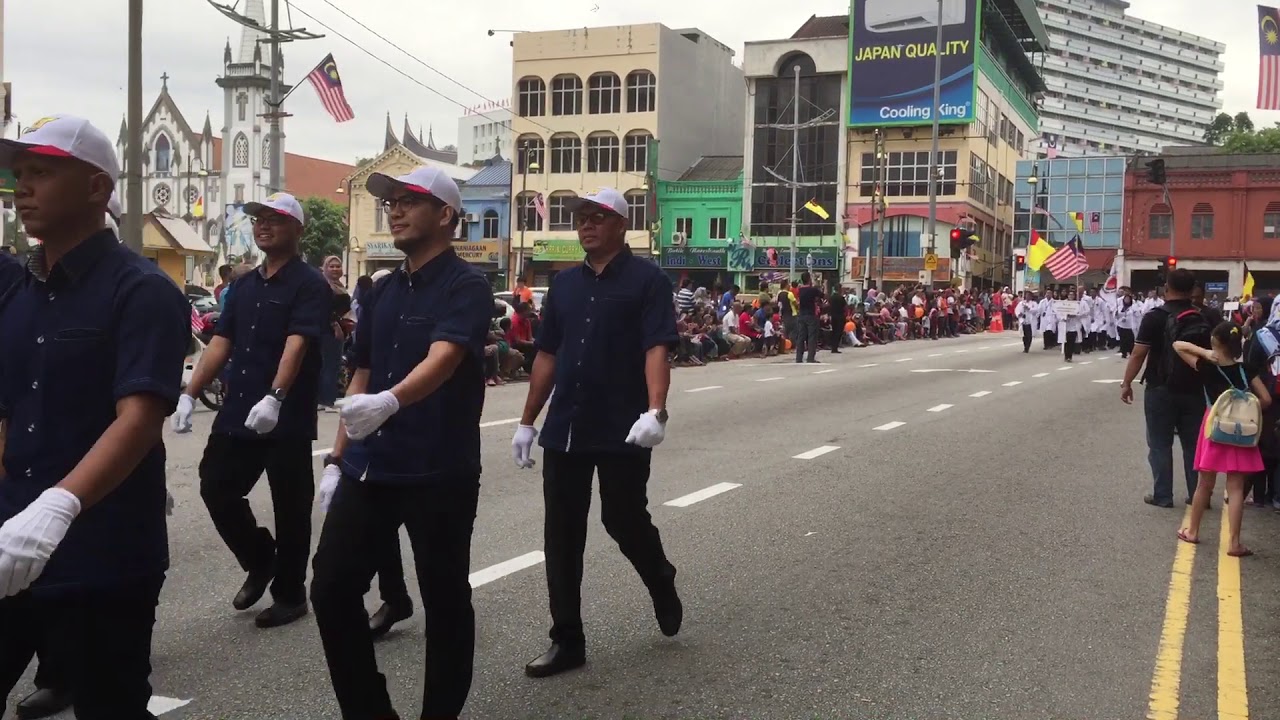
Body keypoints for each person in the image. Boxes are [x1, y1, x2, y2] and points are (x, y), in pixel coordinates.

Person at [0, 114, 189, 719]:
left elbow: (137, 418)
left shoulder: (142, 290)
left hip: (104, 549)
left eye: (42, 172)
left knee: (110, 706)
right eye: (19, 174)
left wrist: (59, 505)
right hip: (11, 537)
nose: (22, 187)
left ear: (97, 187)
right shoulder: (18, 293)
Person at [309, 166, 492, 719]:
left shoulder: (467, 285)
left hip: (439, 469)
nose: (395, 209)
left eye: (410, 200)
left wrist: (392, 401)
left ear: (445, 215)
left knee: (444, 598)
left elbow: (444, 357)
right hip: (372, 468)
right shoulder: (381, 290)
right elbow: (360, 375)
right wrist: (339, 457)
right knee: (332, 588)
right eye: (391, 201)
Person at [511, 187, 682, 679]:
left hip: (623, 425)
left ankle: (659, 576)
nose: (586, 225)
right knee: (561, 534)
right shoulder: (564, 285)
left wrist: (656, 410)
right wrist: (527, 421)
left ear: (621, 224)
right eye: (581, 218)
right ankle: (567, 638)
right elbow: (546, 354)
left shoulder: (648, 280)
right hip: (566, 426)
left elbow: (657, 347)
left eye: (597, 217)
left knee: (623, 518)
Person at [174, 192, 330, 629]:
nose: (263, 225)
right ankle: (261, 558)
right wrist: (190, 391)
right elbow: (222, 340)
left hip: (286, 415)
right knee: (215, 487)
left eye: (275, 219)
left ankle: (290, 594)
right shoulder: (243, 285)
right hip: (240, 407)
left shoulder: (309, 284)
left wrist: (276, 397)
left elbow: (297, 341)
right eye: (259, 219)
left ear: (297, 229)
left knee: (291, 507)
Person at [1173, 322, 1271, 555]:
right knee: (1235, 487)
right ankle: (1234, 543)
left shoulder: (1207, 366)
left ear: (1214, 343)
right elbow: (1265, 399)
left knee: (1205, 484)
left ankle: (1193, 531)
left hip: (1215, 428)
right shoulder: (1247, 369)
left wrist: (1204, 352)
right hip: (1242, 431)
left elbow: (1177, 345)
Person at [1121, 269, 1211, 508]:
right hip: (1194, 389)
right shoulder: (1202, 318)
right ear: (1193, 290)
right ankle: (1198, 495)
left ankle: (1163, 495)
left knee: (1160, 443)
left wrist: (1127, 382)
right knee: (1193, 445)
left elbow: (1139, 353)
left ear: (1166, 288)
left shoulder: (1154, 317)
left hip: (1160, 387)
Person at [318, 256, 350, 412]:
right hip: (329, 331)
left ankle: (325, 398)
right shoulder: (324, 286)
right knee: (329, 365)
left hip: (339, 330)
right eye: (331, 266)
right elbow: (323, 309)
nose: (335, 269)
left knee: (333, 365)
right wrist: (334, 324)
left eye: (338, 266)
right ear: (325, 268)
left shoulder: (338, 286)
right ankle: (326, 400)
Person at [794, 272, 823, 363]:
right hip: (811, 314)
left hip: (801, 315)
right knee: (811, 337)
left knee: (801, 337)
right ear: (809, 279)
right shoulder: (813, 290)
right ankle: (810, 357)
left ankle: (799, 357)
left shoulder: (800, 290)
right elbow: (822, 295)